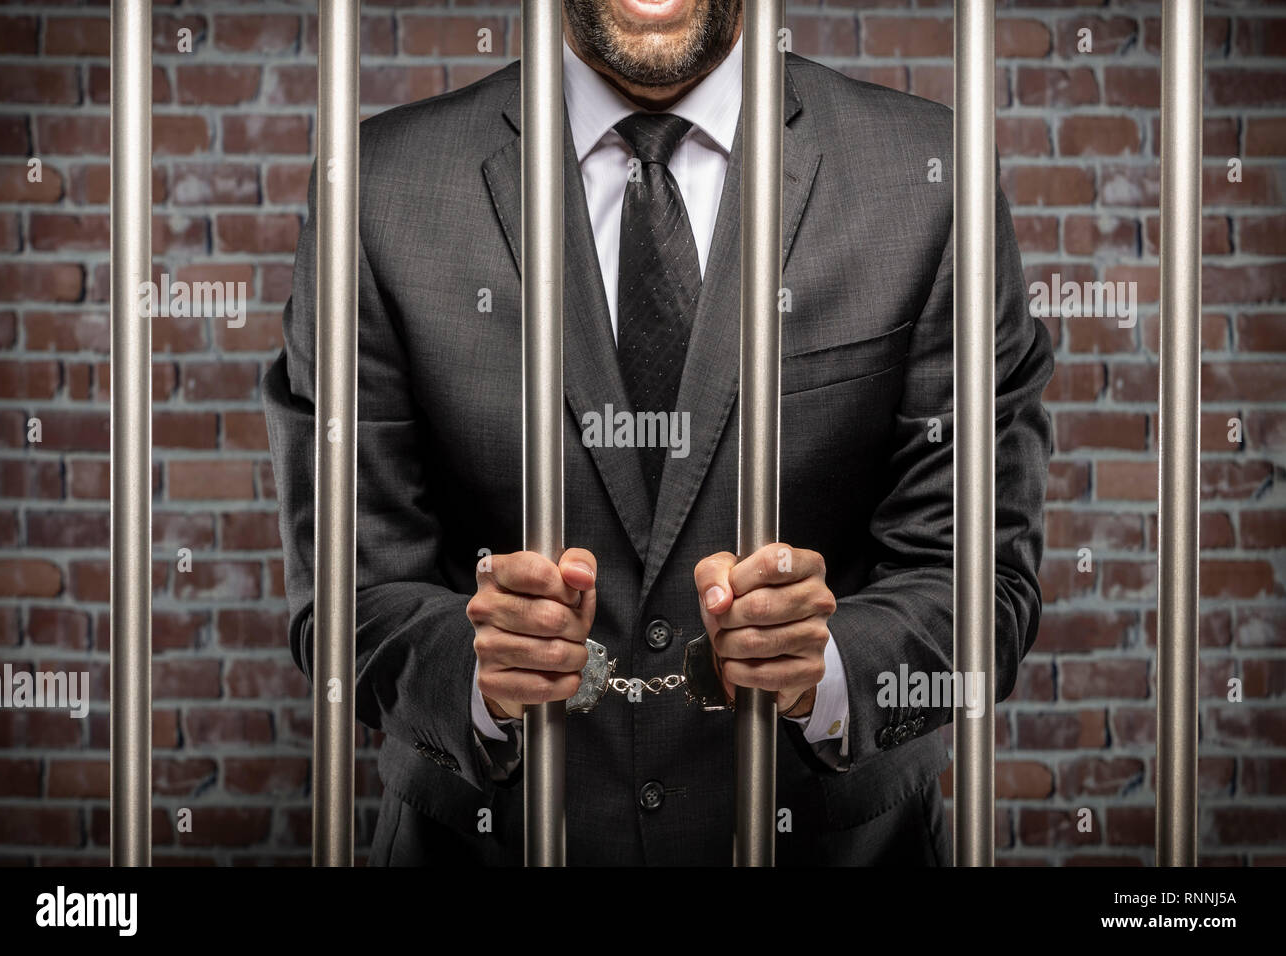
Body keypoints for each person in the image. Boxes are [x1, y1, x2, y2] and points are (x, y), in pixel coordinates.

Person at [262, 0, 1054, 866]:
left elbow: (981, 585)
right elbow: (345, 592)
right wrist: (478, 673)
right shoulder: (381, 186)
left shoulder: (927, 174)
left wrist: (825, 668)